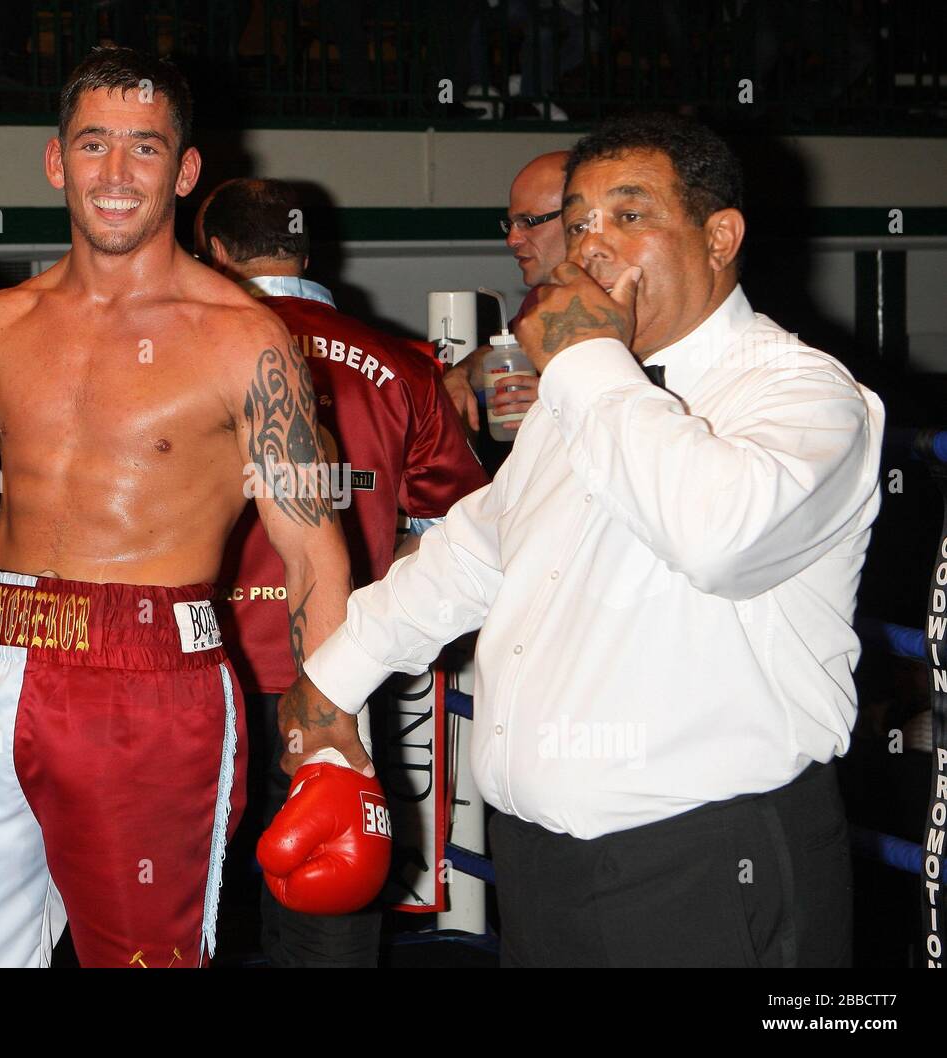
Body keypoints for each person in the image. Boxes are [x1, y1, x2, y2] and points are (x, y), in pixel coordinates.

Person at [274, 112, 885, 967]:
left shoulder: (806, 396)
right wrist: (330, 681)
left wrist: (583, 362)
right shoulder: (589, 393)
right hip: (544, 869)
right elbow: (477, 548)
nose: (591, 246)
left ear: (720, 237)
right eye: (581, 219)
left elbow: (716, 538)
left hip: (708, 863)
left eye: (629, 216)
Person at [0, 46, 363, 968]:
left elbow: (312, 550)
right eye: (93, 145)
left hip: (150, 678)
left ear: (186, 169)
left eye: (145, 149)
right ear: (55, 160)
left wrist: (333, 741)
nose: (115, 175)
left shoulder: (247, 342)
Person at [197, 177, 489, 966]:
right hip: (340, 676)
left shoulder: (183, 355)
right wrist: (371, 595)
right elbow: (462, 538)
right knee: (330, 908)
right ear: (306, 250)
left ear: (214, 252)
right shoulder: (403, 365)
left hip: (199, 671)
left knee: (187, 908)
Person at [442, 150, 565, 434]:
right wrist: (460, 374)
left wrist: (561, 400)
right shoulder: (545, 298)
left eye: (528, 222)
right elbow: (505, 350)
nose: (512, 239)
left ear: (579, 220)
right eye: (510, 224)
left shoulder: (629, 302)